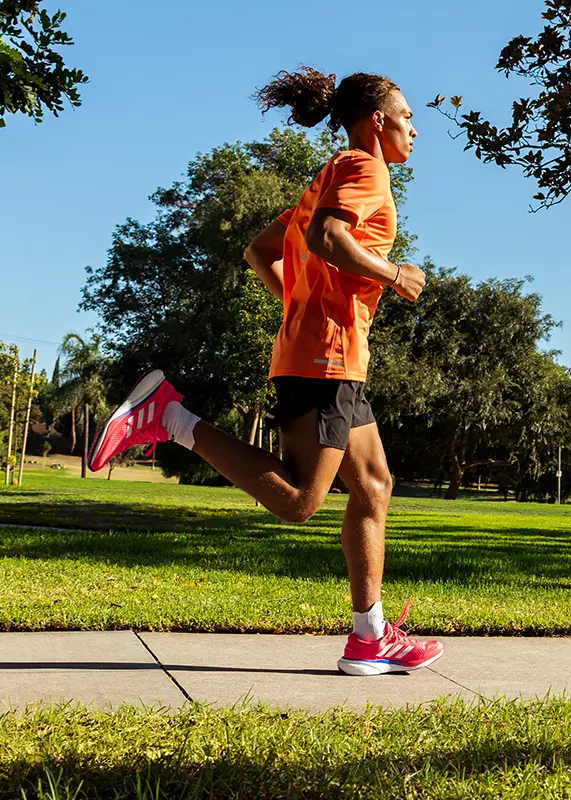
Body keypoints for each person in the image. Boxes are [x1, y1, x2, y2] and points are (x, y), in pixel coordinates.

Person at [88, 67, 442, 676]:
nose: (415, 129)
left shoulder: (328, 173)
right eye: (408, 117)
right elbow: (329, 238)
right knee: (304, 500)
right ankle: (169, 416)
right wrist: (394, 275)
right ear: (377, 121)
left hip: (328, 353)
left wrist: (301, 308)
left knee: (375, 485)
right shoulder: (364, 167)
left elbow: (261, 249)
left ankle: (368, 639)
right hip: (327, 359)